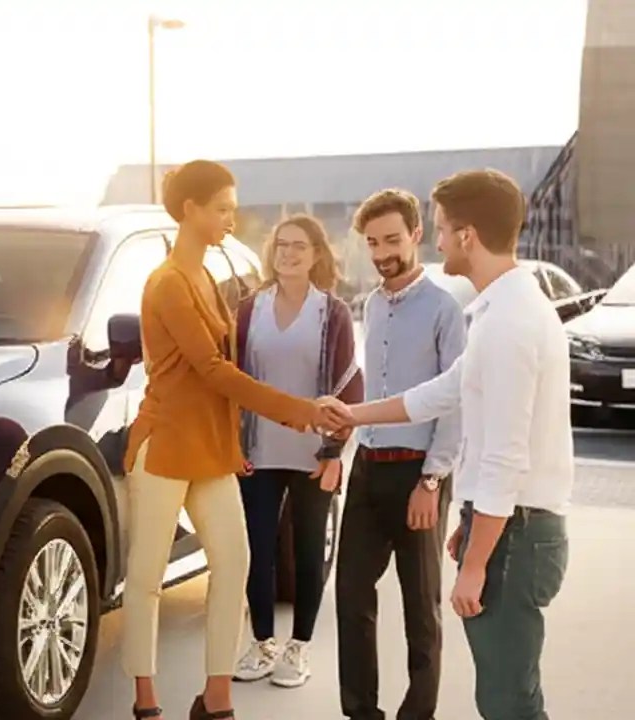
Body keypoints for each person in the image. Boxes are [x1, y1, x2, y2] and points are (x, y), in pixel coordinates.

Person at [326, 169, 573, 720]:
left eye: (439, 230)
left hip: (519, 535)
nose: (436, 243)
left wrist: (477, 561)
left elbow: (507, 457)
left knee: (509, 703)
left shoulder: (508, 321)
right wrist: (352, 413)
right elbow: (442, 391)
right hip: (512, 526)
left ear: (467, 235)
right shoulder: (502, 311)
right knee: (507, 696)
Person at [122, 159, 342, 720]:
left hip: (211, 451)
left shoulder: (207, 278)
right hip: (166, 446)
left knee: (236, 561)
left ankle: (215, 695)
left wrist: (238, 438)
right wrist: (299, 412)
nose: (230, 218)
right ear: (190, 210)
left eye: (232, 207)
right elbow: (213, 372)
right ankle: (145, 699)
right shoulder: (167, 282)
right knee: (147, 577)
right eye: (221, 207)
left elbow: (225, 375)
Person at [335, 189, 466, 720]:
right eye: (372, 242)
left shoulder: (445, 308)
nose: (382, 251)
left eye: (392, 239)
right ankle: (362, 712)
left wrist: (432, 480)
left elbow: (456, 400)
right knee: (351, 596)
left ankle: (419, 713)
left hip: (419, 475)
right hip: (367, 470)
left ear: (415, 235)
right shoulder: (371, 305)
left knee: (420, 608)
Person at [232, 214, 364, 688]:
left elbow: (351, 388)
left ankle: (298, 649)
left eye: (299, 247)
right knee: (256, 552)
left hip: (313, 457)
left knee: (308, 554)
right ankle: (263, 643)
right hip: (257, 454)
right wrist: (233, 445)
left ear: (316, 256)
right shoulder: (248, 309)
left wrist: (334, 453)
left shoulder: (333, 313)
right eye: (281, 244)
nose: (288, 253)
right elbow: (233, 383)